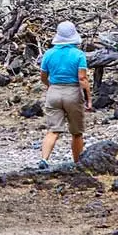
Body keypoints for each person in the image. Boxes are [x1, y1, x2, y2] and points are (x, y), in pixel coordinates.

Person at [36, 21, 92, 166]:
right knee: (77, 132)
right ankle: (77, 162)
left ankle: (44, 159)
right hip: (72, 93)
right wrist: (89, 99)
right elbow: (82, 79)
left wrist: (51, 87)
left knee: (53, 130)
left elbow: (43, 76)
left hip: (53, 92)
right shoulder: (79, 55)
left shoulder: (49, 54)